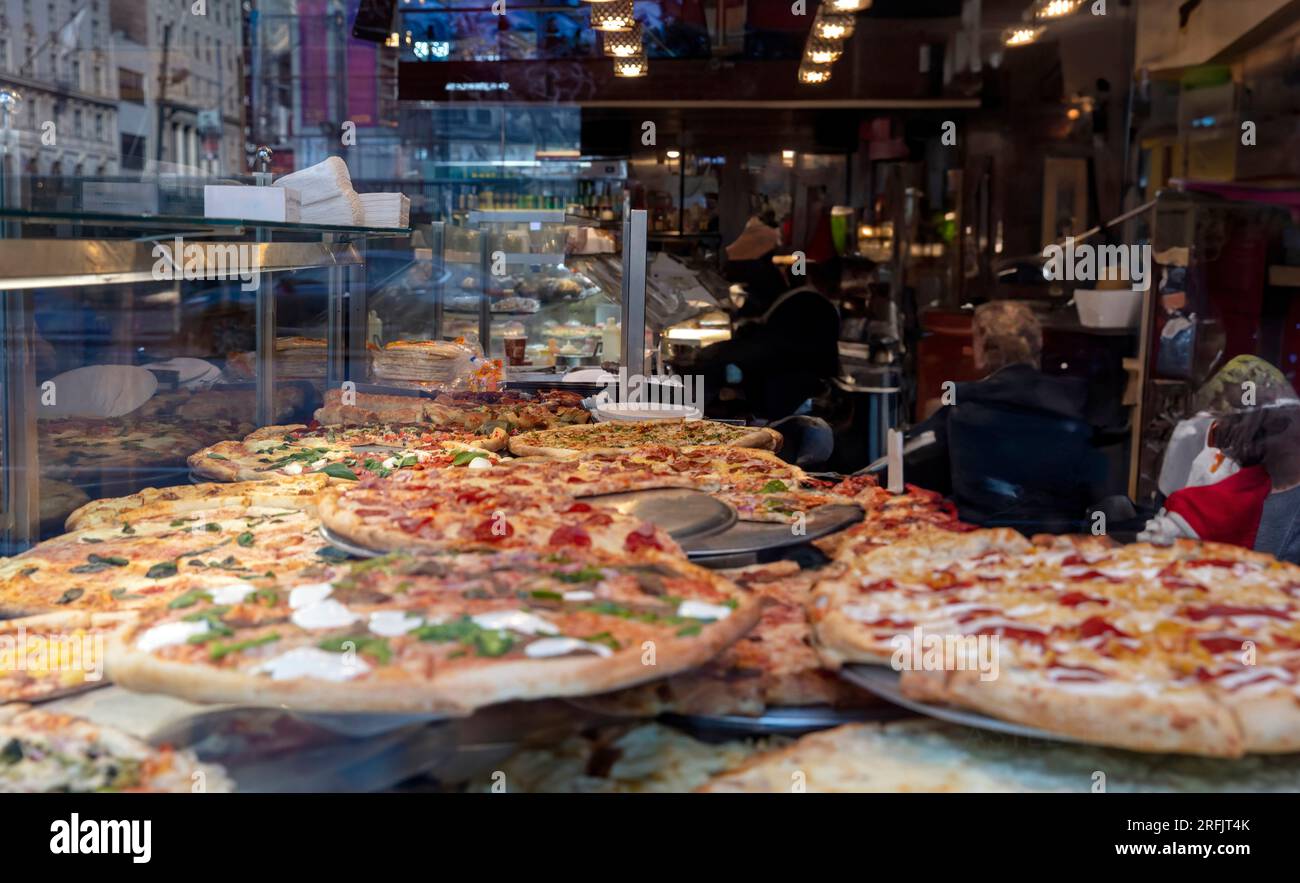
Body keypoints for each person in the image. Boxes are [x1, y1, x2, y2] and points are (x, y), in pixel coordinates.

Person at [904, 300, 1106, 530]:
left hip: (982, 546)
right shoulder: (1078, 403)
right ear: (1038, 342)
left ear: (980, 350)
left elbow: (909, 464)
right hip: (1062, 547)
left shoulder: (964, 407)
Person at [692, 256, 844, 423]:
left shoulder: (807, 302)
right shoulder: (810, 302)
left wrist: (719, 354)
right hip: (776, 384)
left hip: (776, 385)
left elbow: (770, 347)